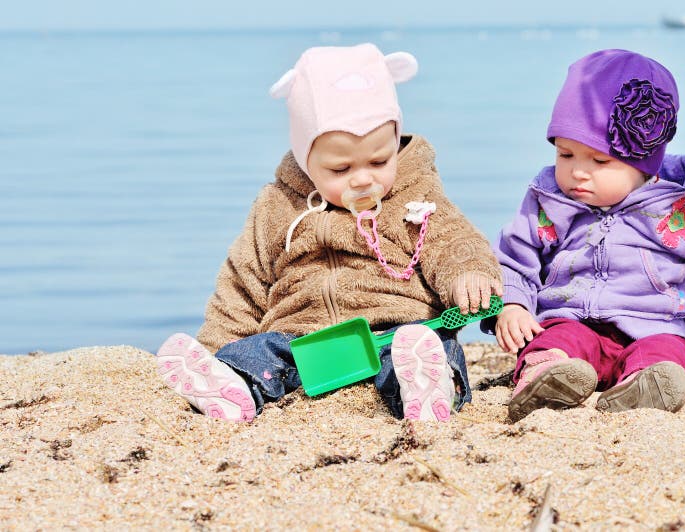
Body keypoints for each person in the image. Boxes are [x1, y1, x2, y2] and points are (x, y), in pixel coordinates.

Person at [156, 43, 502, 423]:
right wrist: (216, 346)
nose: (363, 178)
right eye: (340, 169)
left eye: (378, 161)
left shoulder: (415, 196)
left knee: (428, 345)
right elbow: (243, 284)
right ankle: (229, 385)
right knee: (262, 354)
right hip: (304, 339)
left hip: (399, 326)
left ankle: (425, 389)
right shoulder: (278, 206)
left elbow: (454, 241)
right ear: (306, 161)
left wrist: (469, 275)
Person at [489, 49, 685, 422]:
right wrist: (514, 304)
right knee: (557, 342)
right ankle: (547, 378)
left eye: (599, 161)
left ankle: (645, 386)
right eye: (565, 154)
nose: (577, 173)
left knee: (668, 355)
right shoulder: (549, 199)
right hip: (570, 318)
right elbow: (513, 253)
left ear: (643, 164)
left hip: (655, 327)